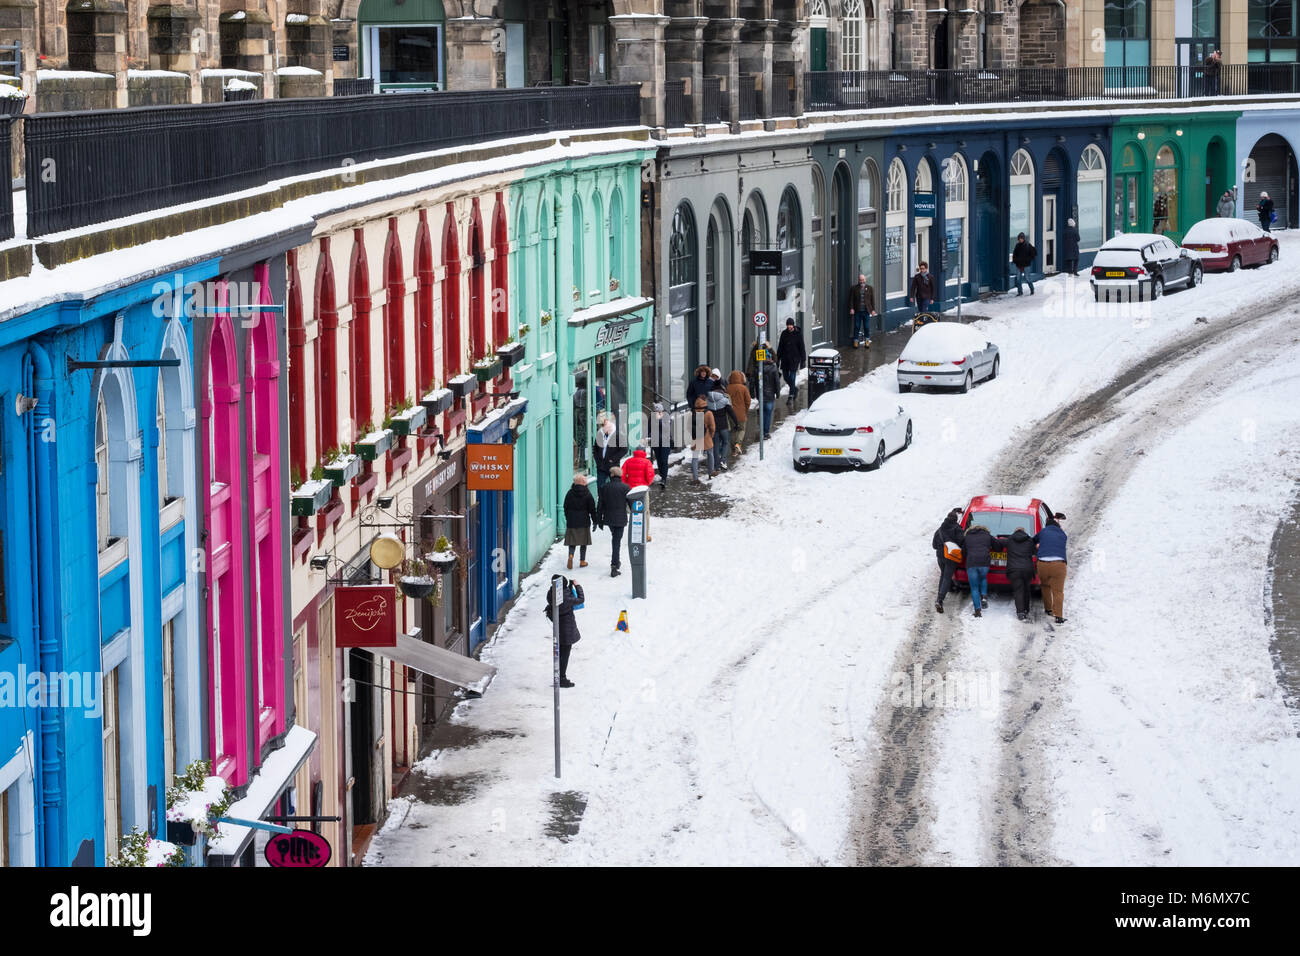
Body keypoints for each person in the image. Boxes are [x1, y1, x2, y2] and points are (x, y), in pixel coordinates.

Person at [544, 574, 584, 688]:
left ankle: (559, 675)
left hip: (558, 626)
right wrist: (577, 586)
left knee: (560, 652)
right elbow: (581, 599)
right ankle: (562, 678)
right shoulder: (565, 597)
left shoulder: (551, 593)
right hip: (567, 628)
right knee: (565, 654)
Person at [996, 526, 1038, 621]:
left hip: (1014, 570)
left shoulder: (1009, 540)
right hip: (1027, 569)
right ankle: (1026, 609)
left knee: (1018, 590)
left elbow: (998, 542)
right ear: (1024, 532)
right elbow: (1034, 552)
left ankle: (1020, 613)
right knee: (1026, 589)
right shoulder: (1030, 541)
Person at [596, 465, 631, 577]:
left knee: (615, 539)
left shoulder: (604, 487)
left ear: (611, 475)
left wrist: (599, 520)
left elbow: (600, 505)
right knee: (616, 541)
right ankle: (614, 565)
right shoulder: (626, 487)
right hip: (621, 519)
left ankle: (616, 562)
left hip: (609, 518)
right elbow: (631, 505)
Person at [1034, 513, 1068, 625]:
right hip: (1058, 565)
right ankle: (1058, 616)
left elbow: (1034, 540)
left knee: (1045, 585)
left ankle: (1048, 609)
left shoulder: (1043, 532)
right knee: (1058, 591)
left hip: (1042, 564)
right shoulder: (1063, 534)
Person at [932, 508, 966, 614]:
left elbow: (934, 545)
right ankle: (939, 599)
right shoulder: (957, 529)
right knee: (947, 577)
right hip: (951, 557)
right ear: (956, 520)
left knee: (943, 576)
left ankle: (939, 596)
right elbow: (961, 541)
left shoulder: (939, 530)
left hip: (940, 557)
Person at [621, 445, 656, 541]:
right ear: (644, 452)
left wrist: (627, 485)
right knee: (645, 512)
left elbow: (622, 475)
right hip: (643, 491)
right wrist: (645, 485)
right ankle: (645, 534)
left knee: (634, 512)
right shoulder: (647, 462)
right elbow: (650, 476)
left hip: (631, 490)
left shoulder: (628, 461)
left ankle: (634, 533)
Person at [562, 474, 597, 570]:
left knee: (572, 542)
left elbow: (565, 506)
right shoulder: (588, 494)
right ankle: (582, 561)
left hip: (572, 521)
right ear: (584, 483)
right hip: (584, 521)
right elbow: (592, 509)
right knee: (583, 543)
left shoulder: (569, 493)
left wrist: (567, 517)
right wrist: (595, 521)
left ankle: (571, 556)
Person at [962, 521, 995, 618]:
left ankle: (977, 610)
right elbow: (997, 545)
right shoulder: (987, 535)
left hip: (972, 563)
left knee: (974, 587)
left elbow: (963, 552)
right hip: (984, 562)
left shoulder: (967, 537)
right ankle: (984, 596)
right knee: (983, 578)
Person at [706, 373, 736, 474]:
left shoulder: (708, 400)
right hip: (723, 425)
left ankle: (717, 465)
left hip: (713, 427)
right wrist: (736, 423)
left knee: (715, 445)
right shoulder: (724, 399)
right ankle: (723, 460)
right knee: (726, 442)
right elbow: (731, 412)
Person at [776, 317, 807, 408]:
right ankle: (794, 389)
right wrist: (778, 358)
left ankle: (791, 395)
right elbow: (780, 347)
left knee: (792, 376)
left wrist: (803, 360)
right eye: (788, 325)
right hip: (785, 359)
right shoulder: (784, 334)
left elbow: (802, 347)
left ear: (793, 325)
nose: (789, 326)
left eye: (790, 325)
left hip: (794, 359)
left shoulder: (798, 334)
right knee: (786, 376)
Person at [591, 417, 625, 495]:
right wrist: (597, 460)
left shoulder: (618, 435)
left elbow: (624, 450)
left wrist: (613, 459)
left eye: (606, 425)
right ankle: (602, 503)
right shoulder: (600, 434)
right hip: (601, 466)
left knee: (615, 486)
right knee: (600, 487)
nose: (604, 427)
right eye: (603, 425)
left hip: (613, 466)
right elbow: (595, 448)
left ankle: (614, 502)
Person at [689, 395, 715, 483]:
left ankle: (695, 478)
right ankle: (711, 473)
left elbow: (688, 427)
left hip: (696, 438)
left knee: (695, 458)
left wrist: (693, 435)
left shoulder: (692, 413)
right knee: (710, 454)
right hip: (706, 437)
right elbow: (712, 427)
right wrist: (711, 435)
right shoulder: (708, 413)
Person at [726, 370, 752, 457]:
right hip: (741, 413)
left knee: (733, 431)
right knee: (741, 429)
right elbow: (748, 401)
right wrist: (745, 410)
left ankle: (733, 451)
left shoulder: (728, 388)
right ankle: (738, 443)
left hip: (730, 414)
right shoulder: (744, 388)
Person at [848, 273, 877, 349]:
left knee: (866, 327)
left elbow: (872, 300)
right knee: (856, 326)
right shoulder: (854, 288)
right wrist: (851, 308)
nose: (862, 281)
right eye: (860, 280)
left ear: (865, 280)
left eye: (863, 280)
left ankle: (867, 341)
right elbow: (851, 300)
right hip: (857, 311)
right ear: (858, 280)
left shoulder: (870, 288)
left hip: (866, 311)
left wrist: (873, 310)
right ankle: (856, 341)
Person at [649, 401, 673, 490]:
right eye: (656, 412)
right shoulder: (651, 417)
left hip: (665, 441)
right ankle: (662, 475)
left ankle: (664, 479)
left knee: (664, 459)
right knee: (659, 460)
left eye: (659, 412)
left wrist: (659, 420)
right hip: (656, 442)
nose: (657, 413)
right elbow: (648, 428)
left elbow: (666, 428)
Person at [760, 353, 780, 439]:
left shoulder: (759, 367)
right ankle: (766, 433)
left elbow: (755, 381)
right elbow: (777, 382)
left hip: (761, 395)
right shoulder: (774, 368)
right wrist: (777, 393)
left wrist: (755, 393)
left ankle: (762, 431)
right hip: (770, 395)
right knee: (768, 414)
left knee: (762, 414)